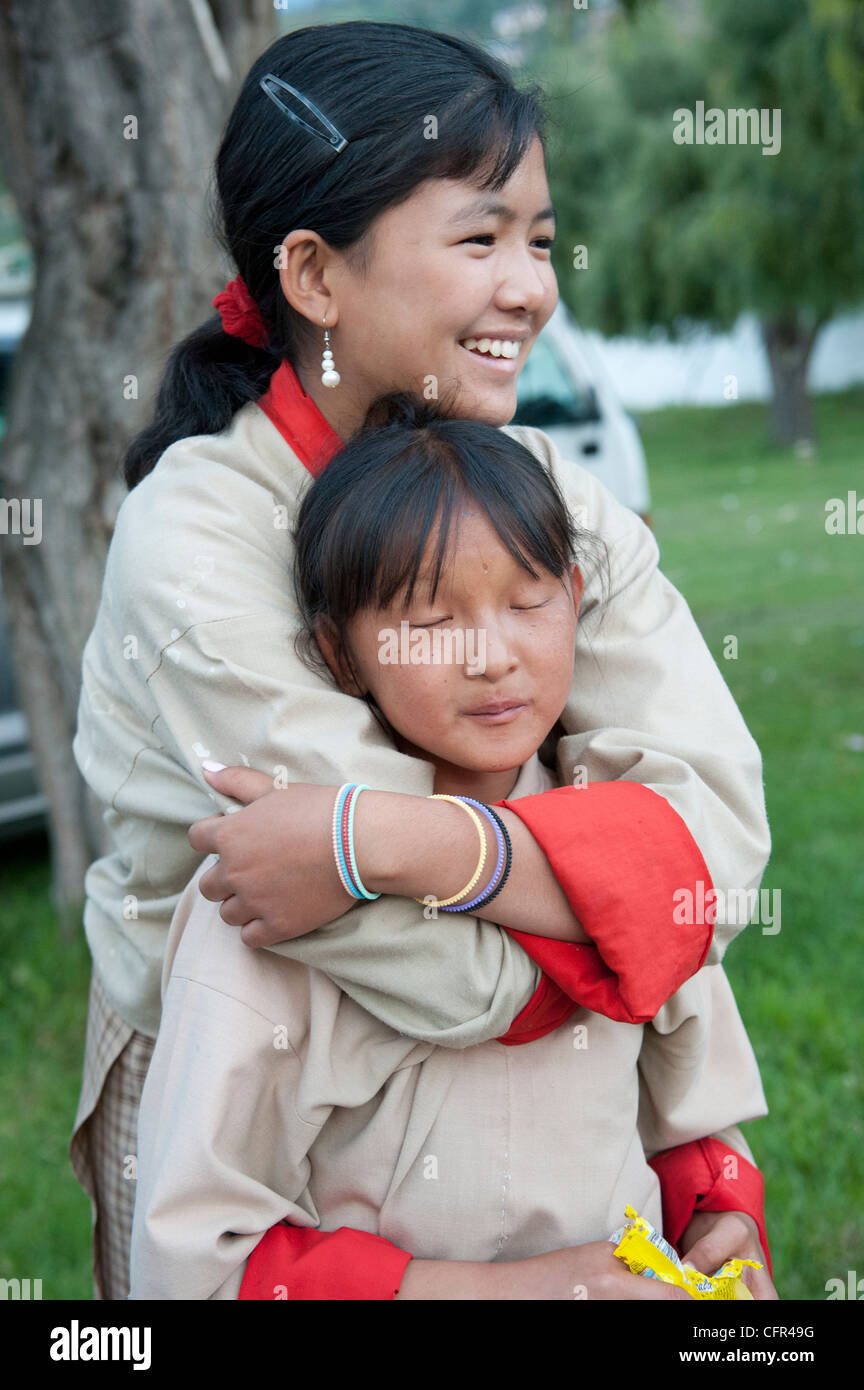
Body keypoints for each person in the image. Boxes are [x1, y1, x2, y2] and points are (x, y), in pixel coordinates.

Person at [71, 21, 770, 1300]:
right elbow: (450, 975)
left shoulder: (551, 488)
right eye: (480, 237)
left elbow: (717, 846)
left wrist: (386, 846)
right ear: (314, 274)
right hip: (266, 1144)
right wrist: (622, 892)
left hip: (566, 1136)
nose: (532, 287)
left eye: (542, 240)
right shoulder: (202, 532)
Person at [130, 395, 774, 1299]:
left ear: (578, 603)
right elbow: (200, 1260)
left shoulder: (626, 849)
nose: (494, 656)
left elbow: (691, 1123)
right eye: (431, 625)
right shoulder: (272, 898)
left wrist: (721, 1215)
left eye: (527, 601)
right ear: (339, 655)